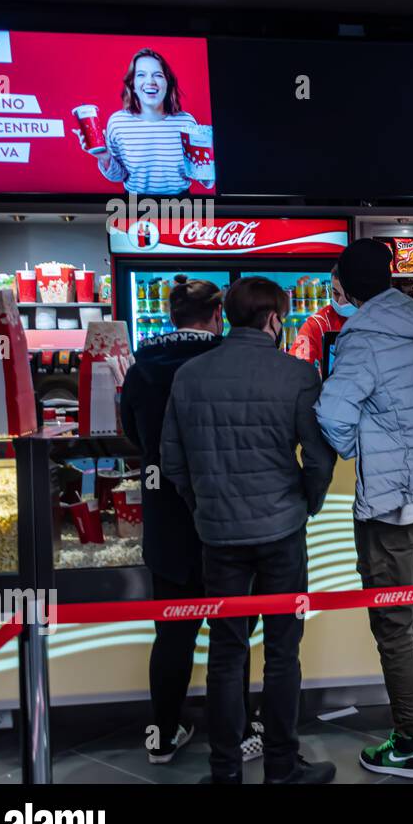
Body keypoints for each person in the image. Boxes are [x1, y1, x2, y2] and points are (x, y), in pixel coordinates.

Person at [161, 276, 337, 784]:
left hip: (218, 535)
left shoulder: (191, 375)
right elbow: (319, 458)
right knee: (283, 652)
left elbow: (172, 460)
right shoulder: (296, 375)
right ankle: (281, 768)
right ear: (273, 319)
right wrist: (308, 502)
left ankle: (225, 773)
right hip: (282, 531)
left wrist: (203, 505)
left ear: (228, 316)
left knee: (226, 653)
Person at [314, 239, 413, 779]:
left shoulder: (362, 338)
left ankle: (407, 747)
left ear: (347, 286)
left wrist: (356, 449)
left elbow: (332, 416)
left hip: (389, 505)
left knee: (392, 622)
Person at [119, 275, 263, 765]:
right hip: (223, 511)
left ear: (172, 316)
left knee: (172, 633)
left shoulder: (142, 365)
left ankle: (162, 734)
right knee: (231, 631)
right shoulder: (224, 361)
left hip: (165, 516)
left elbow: (132, 433)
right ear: (217, 316)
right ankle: (240, 732)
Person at [77, 48, 212, 195]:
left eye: (158, 75)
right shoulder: (117, 123)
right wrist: (105, 157)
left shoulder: (186, 122)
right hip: (134, 205)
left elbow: (201, 175)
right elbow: (119, 176)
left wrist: (211, 159)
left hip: (180, 204)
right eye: (141, 75)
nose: (150, 81)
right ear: (132, 85)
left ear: (168, 83)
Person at [289, 264, 354, 374]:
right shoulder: (317, 324)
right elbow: (295, 371)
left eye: (348, 295)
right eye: (336, 293)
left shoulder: (379, 321)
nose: (340, 302)